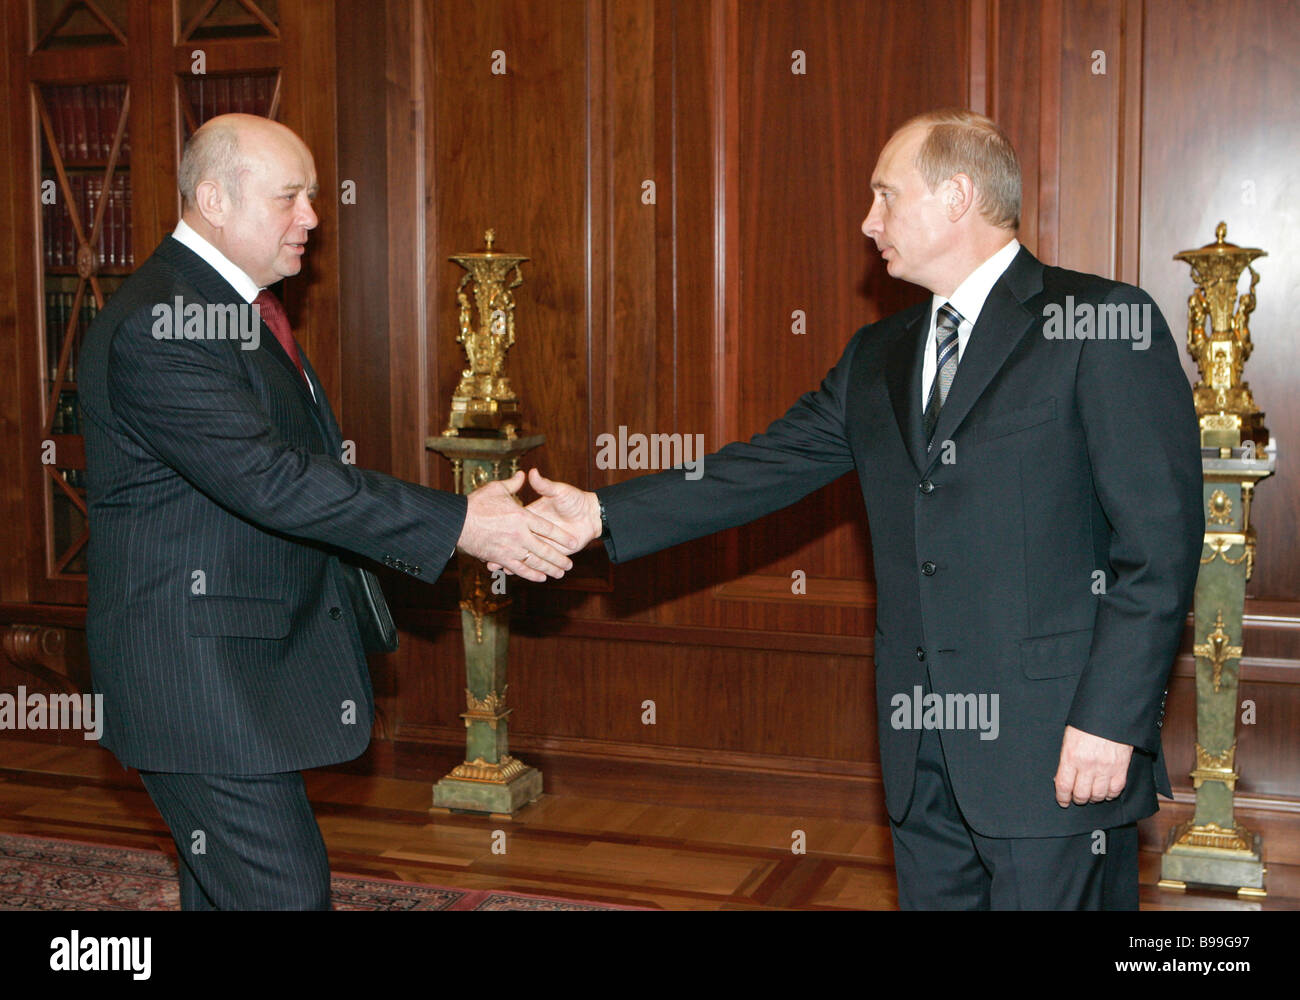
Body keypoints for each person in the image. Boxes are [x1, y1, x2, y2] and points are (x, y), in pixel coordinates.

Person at [514, 109, 1204, 909]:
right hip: (919, 751)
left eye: (885, 197)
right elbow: (761, 467)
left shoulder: (1099, 324)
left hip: (1055, 748)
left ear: (956, 196)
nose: (867, 222)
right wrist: (601, 512)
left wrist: (1111, 722)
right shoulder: (878, 354)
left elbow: (1159, 548)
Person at [78, 113, 577, 910]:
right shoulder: (161, 323)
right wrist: (460, 525)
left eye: (311, 195)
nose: (312, 216)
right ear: (212, 198)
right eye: (289, 197)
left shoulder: (235, 307)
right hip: (194, 681)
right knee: (285, 895)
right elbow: (269, 480)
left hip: (235, 669)